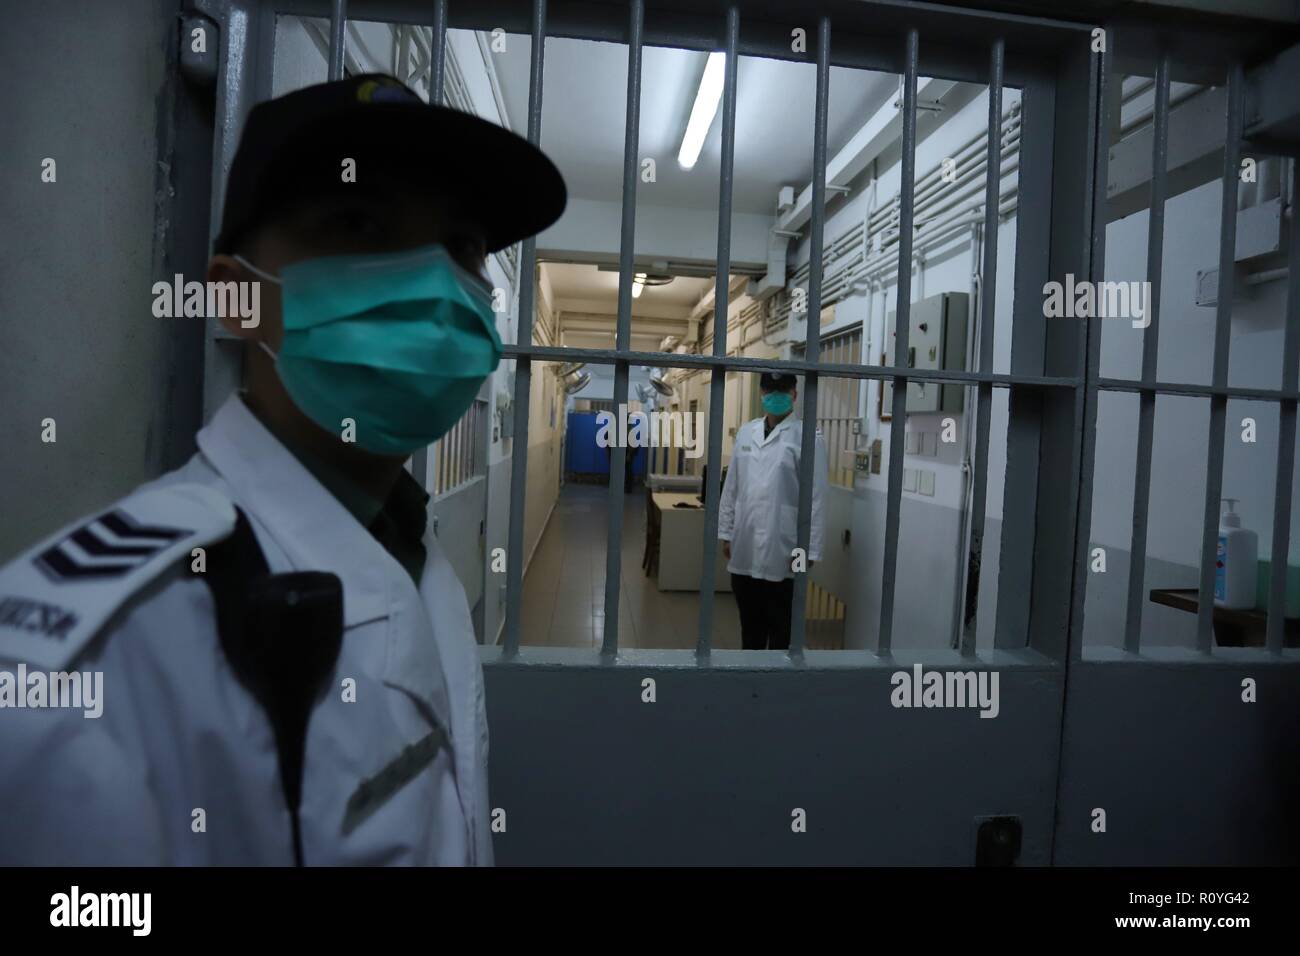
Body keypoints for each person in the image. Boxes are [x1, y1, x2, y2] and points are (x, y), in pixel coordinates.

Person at [0, 74, 566, 865]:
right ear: (237, 300)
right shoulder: (87, 681)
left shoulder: (409, 546)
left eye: (462, 247)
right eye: (361, 223)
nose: (435, 288)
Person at [718, 372, 828, 650]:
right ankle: (750, 686)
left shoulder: (808, 437)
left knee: (781, 627)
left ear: (794, 393)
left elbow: (816, 497)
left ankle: (777, 687)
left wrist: (810, 549)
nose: (775, 395)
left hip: (786, 547)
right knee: (750, 626)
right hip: (745, 540)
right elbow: (732, 487)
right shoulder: (746, 432)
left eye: (782, 389)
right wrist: (726, 531)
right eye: (770, 388)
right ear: (761, 392)